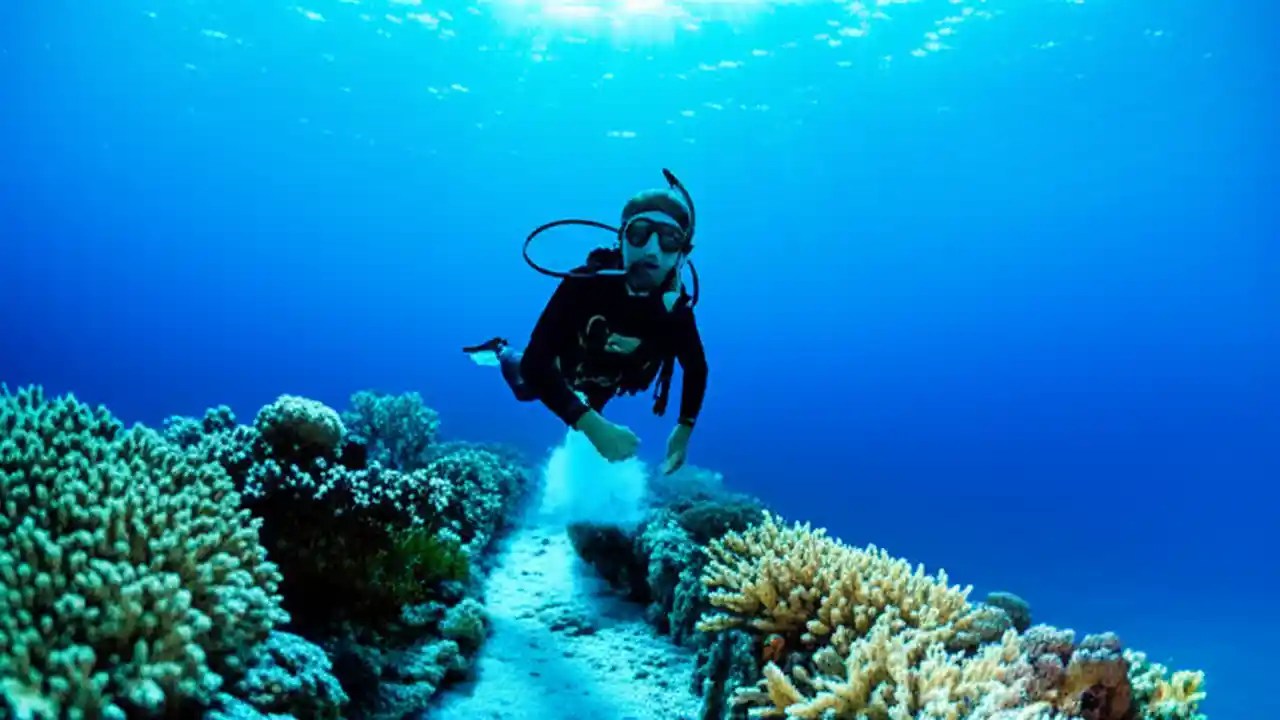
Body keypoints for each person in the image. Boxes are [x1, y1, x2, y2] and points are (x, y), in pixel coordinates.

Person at [463, 173, 708, 475]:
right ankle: (501, 349)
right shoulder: (584, 285)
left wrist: (684, 428)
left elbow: (696, 367)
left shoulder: (677, 311)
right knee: (526, 389)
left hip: (616, 377)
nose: (652, 250)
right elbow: (535, 363)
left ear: (682, 253)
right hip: (569, 365)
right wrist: (592, 426)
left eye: (670, 238)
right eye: (640, 233)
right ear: (621, 239)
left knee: (592, 413)